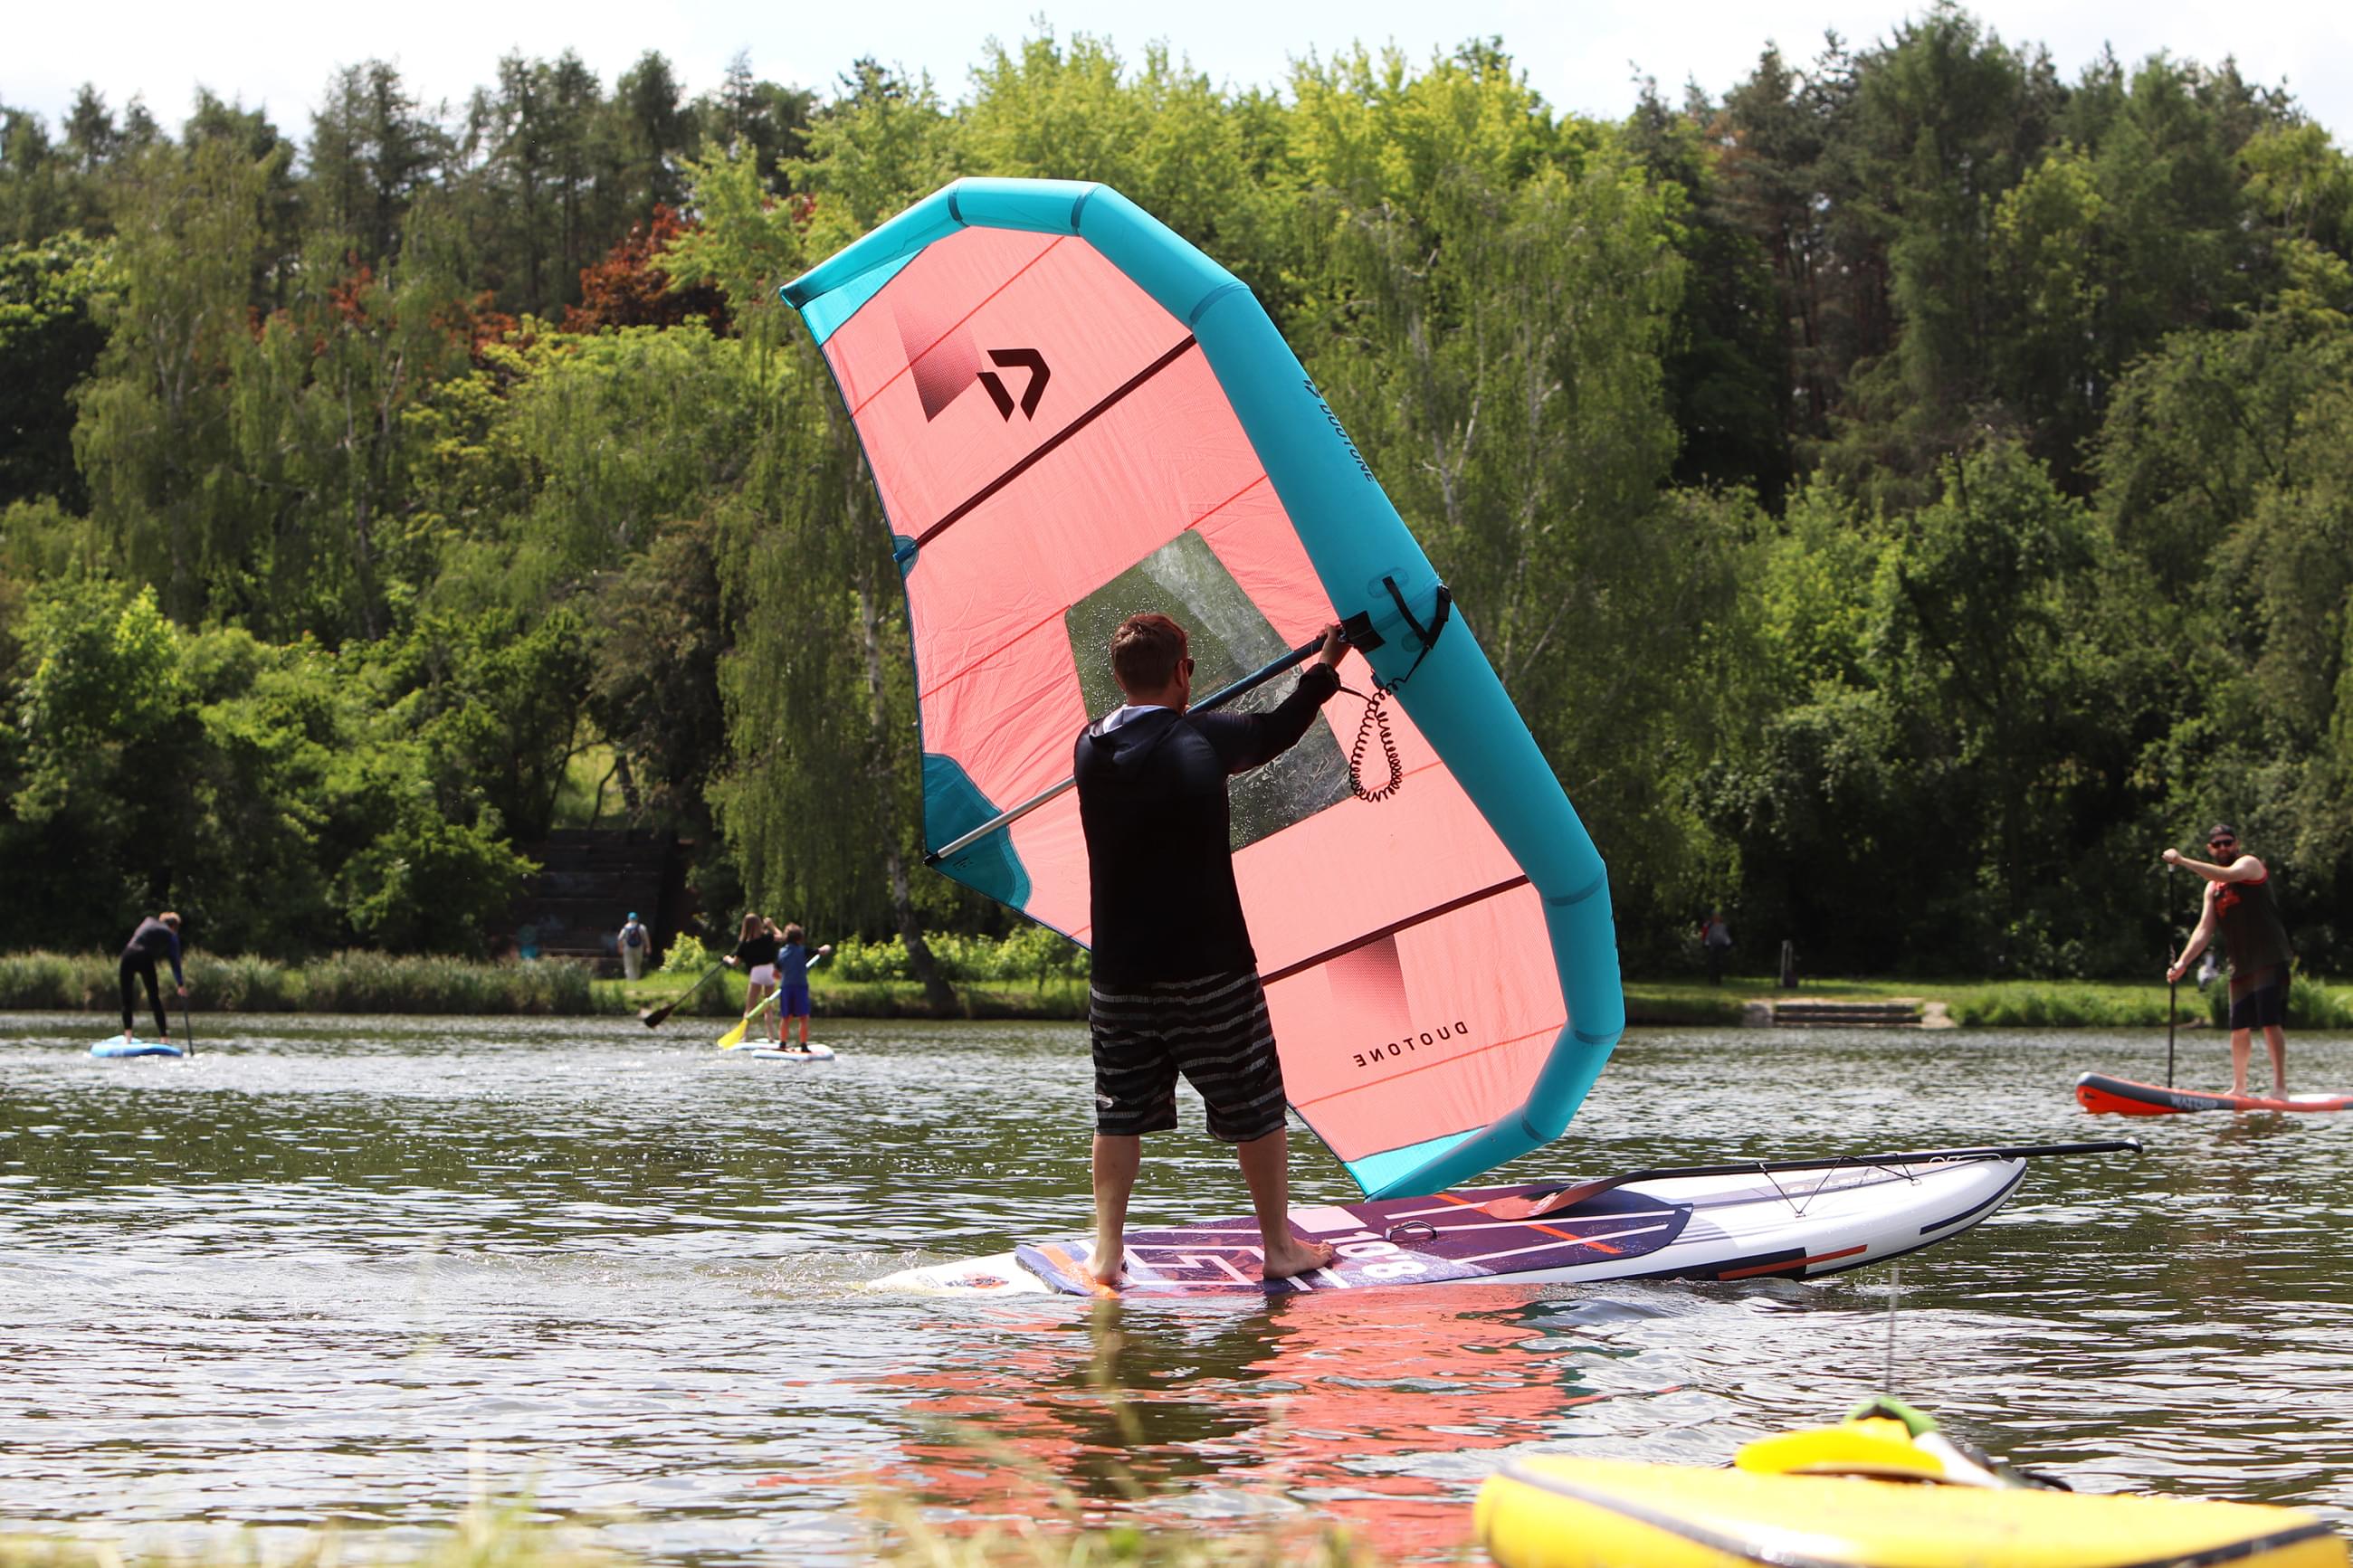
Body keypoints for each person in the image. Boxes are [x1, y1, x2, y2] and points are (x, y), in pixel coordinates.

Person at [1072, 612, 1349, 1288]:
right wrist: (1325, 669)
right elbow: (1279, 728)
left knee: (1119, 1111)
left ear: (1116, 677)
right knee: (1257, 1105)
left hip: (1119, 979)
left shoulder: (1087, 748)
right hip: (1210, 969)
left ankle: (1106, 1255)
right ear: (1184, 671)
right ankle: (1278, 1248)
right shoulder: (1201, 737)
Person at [2164, 824, 2295, 1096]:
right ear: (2210, 848)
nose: (2223, 848)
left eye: (2228, 843)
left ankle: (2280, 1088)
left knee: (2270, 1023)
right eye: (2217, 844)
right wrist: (2183, 963)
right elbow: (2204, 929)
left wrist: (2182, 861)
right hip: (2241, 964)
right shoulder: (2213, 889)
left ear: (2236, 844)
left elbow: (2227, 873)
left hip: (2269, 958)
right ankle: (2239, 1088)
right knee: (2239, 1027)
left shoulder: (2249, 864)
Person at [119, 911, 188, 1044]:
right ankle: (164, 1038)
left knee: (126, 999)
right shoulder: (170, 934)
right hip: (145, 957)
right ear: (174, 926)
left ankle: (128, 1038)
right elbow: (175, 960)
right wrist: (180, 983)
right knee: (154, 999)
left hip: (127, 955)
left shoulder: (148, 921)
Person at [770, 923, 834, 1049]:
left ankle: (782, 1043)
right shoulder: (803, 950)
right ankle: (803, 1045)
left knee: (786, 1017)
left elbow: (775, 974)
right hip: (800, 987)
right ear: (800, 939)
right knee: (804, 1017)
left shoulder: (781, 953)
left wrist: (784, 977)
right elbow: (822, 951)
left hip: (786, 988)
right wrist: (828, 947)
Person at [722, 913, 783, 1023]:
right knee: (767, 1005)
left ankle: (744, 1036)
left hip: (756, 973)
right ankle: (771, 1037)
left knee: (750, 1007)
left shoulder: (744, 944)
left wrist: (727, 959)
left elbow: (735, 963)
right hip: (770, 970)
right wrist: (771, 925)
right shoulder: (768, 937)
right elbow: (781, 937)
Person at [616, 911, 652, 981]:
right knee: (637, 964)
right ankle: (636, 978)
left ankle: (630, 979)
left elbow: (619, 938)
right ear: (637, 919)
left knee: (628, 964)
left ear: (628, 919)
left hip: (627, 948)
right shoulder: (642, 927)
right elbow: (646, 938)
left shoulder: (625, 927)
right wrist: (648, 947)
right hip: (639, 948)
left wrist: (620, 948)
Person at [1700, 911, 1733, 985]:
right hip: (1712, 946)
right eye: (1715, 917)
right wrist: (1707, 944)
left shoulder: (1723, 926)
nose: (1716, 918)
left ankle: (1718, 981)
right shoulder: (1710, 926)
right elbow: (1708, 936)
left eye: (1718, 917)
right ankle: (1711, 981)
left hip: (1721, 947)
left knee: (1720, 963)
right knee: (1712, 964)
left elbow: (1725, 936)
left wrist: (1728, 943)